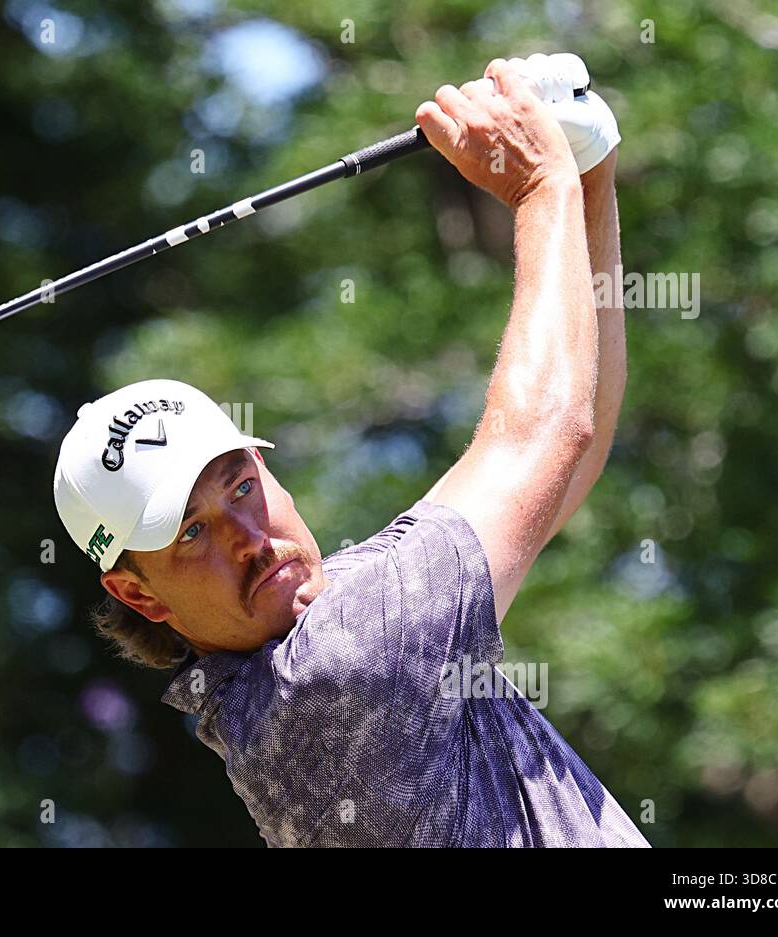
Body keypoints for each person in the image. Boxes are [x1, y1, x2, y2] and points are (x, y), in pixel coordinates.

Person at [53, 54, 645, 846]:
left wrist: (588, 168)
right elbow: (548, 429)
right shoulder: (339, 669)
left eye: (238, 486)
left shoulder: (342, 621)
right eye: (190, 532)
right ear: (140, 596)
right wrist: (542, 188)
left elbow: (567, 459)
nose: (249, 539)